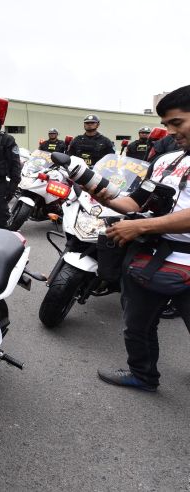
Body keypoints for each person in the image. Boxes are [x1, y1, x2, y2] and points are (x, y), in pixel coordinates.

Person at [96, 84, 190, 392]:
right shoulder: (167, 161)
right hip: (150, 260)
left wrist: (140, 227)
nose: (171, 132)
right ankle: (143, 375)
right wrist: (97, 190)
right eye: (166, 125)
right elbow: (136, 203)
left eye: (177, 123)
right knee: (136, 325)